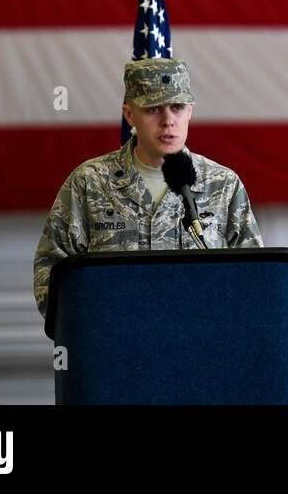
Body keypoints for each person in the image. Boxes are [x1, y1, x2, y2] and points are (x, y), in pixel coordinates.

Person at [32, 57, 264, 319]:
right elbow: (49, 274)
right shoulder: (89, 182)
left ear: (190, 111)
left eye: (177, 107)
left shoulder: (223, 185)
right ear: (129, 114)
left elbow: (254, 281)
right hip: (115, 347)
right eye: (153, 109)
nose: (168, 120)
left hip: (200, 346)